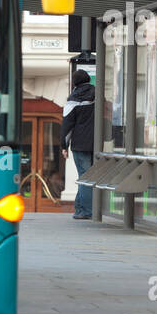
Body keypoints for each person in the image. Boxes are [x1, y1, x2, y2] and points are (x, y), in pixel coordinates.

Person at [61, 69, 96, 220]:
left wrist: (64, 146)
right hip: (96, 144)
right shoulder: (97, 94)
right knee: (87, 176)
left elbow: (67, 126)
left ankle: (86, 211)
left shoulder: (72, 99)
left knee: (85, 177)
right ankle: (79, 208)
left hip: (80, 145)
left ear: (74, 82)